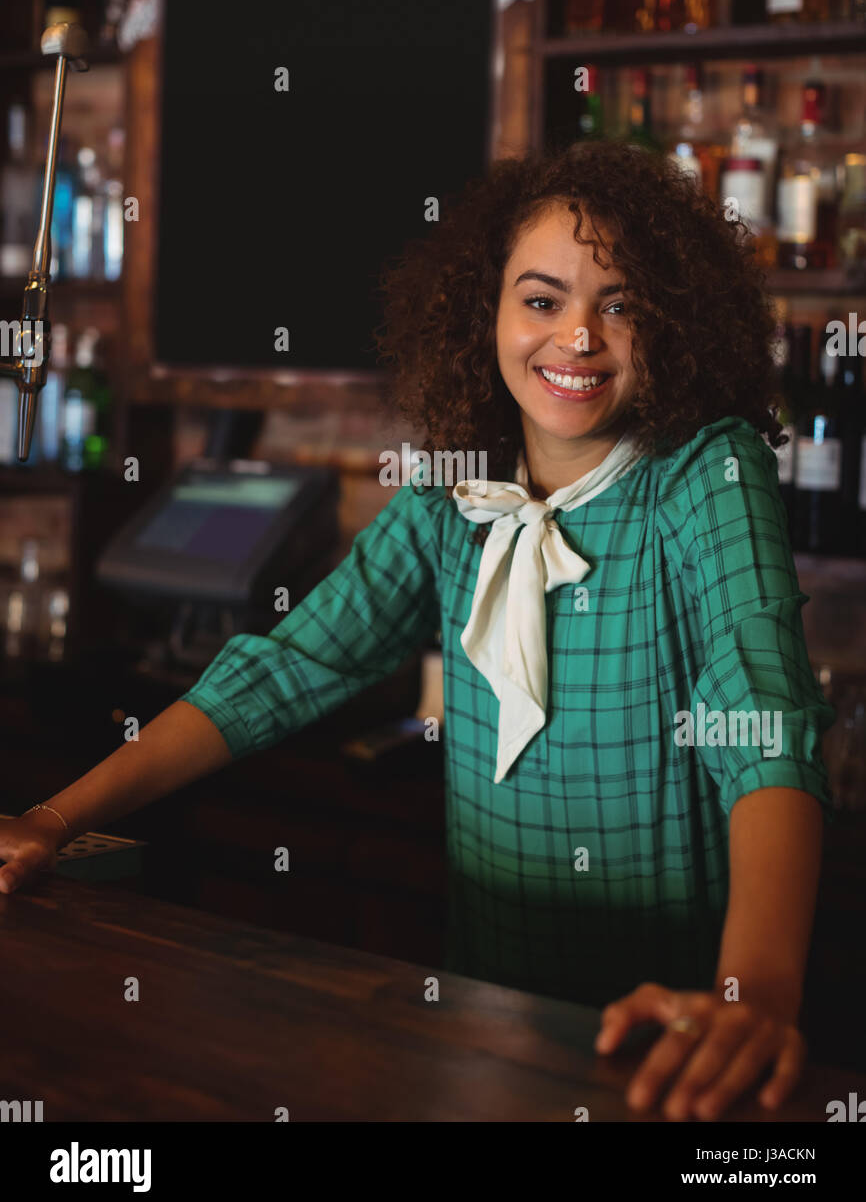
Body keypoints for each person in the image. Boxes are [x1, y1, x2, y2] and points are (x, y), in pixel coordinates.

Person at [0, 140, 833, 1122]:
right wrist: (53, 820)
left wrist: (752, 997)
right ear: (481, 309)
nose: (576, 335)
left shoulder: (701, 473)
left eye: (619, 301)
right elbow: (287, 665)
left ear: (674, 319)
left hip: (664, 1035)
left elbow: (762, 717)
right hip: (483, 1027)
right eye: (541, 298)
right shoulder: (453, 490)